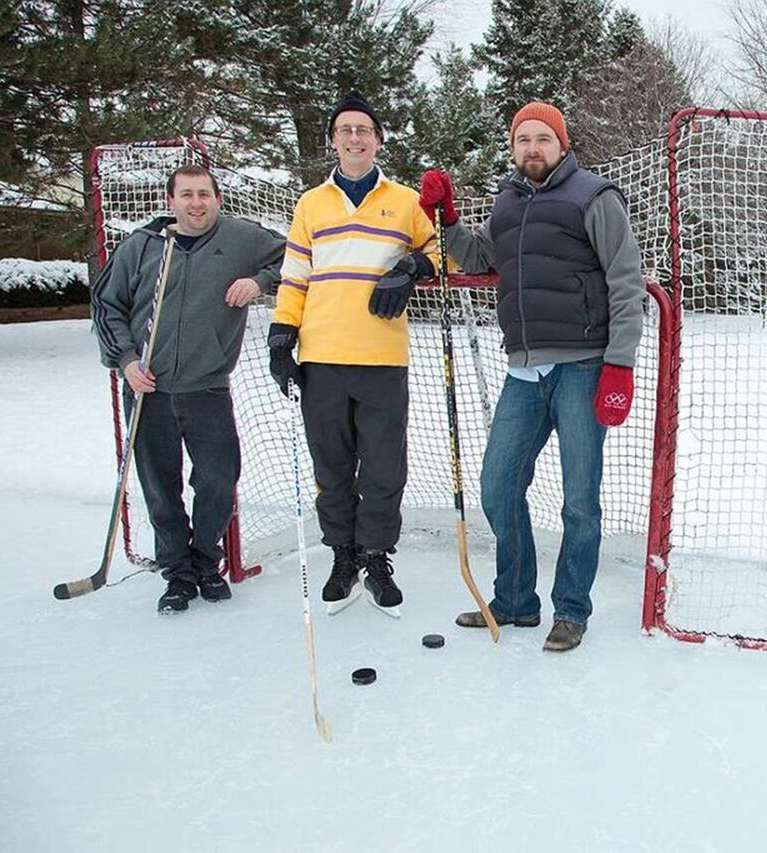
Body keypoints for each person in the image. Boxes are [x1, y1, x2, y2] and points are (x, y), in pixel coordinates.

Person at [421, 101, 644, 652]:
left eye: (543, 138)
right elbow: (480, 256)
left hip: (583, 366)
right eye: (523, 140)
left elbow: (625, 281)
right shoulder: (508, 202)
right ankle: (515, 600)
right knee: (498, 486)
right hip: (523, 370)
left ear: (562, 145)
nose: (532, 149)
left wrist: (619, 363)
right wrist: (448, 221)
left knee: (578, 501)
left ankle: (571, 610)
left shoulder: (594, 197)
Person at [267, 90, 437, 617]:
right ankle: (343, 556)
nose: (356, 137)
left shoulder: (406, 201)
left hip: (383, 358)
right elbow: (295, 277)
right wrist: (281, 335)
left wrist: (410, 268)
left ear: (379, 139)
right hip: (323, 357)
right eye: (346, 130)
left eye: (365, 129)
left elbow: (437, 252)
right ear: (333, 141)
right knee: (333, 466)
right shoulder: (310, 204)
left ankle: (376, 557)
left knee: (384, 468)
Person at [91, 164, 284, 612]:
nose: (196, 203)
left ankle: (205, 562)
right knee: (161, 485)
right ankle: (176, 572)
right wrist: (126, 360)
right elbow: (107, 305)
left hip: (206, 386)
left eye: (204, 194)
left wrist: (258, 281)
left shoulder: (241, 238)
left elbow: (294, 257)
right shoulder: (142, 247)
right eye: (187, 195)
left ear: (218, 199)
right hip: (148, 388)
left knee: (218, 480)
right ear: (170, 201)